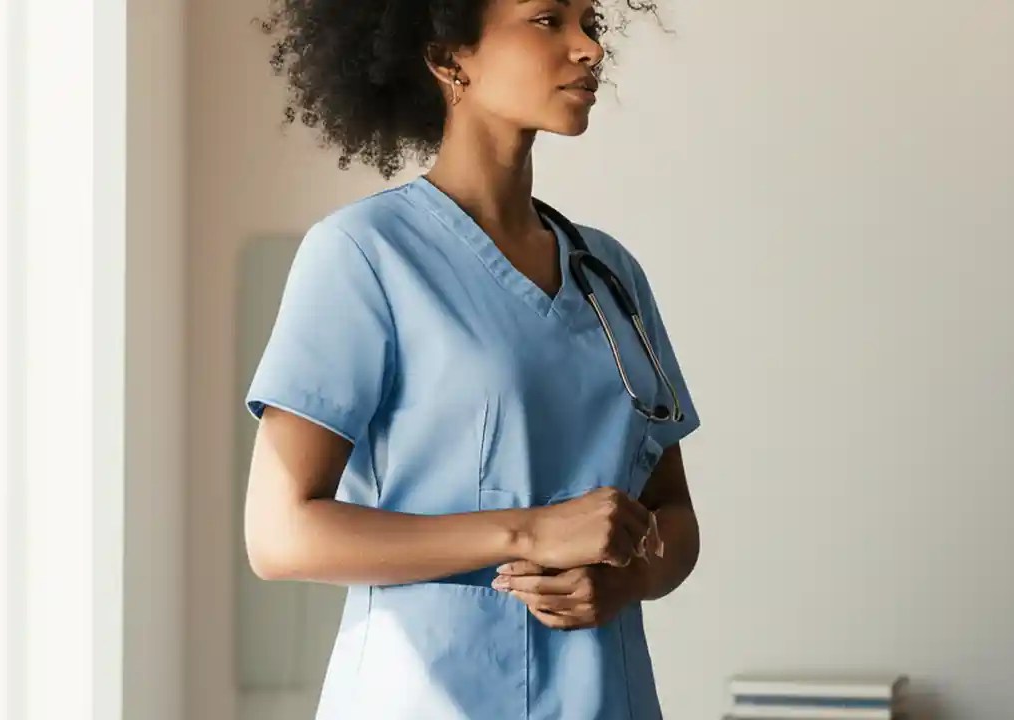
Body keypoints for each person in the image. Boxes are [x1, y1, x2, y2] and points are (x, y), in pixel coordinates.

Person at [243, 1, 701, 718]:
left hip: (606, 693)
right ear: (447, 57)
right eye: (548, 20)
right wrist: (530, 532)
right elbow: (281, 535)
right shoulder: (364, 254)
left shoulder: (610, 272)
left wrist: (629, 578)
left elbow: (673, 516)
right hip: (431, 690)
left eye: (592, 24)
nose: (589, 50)